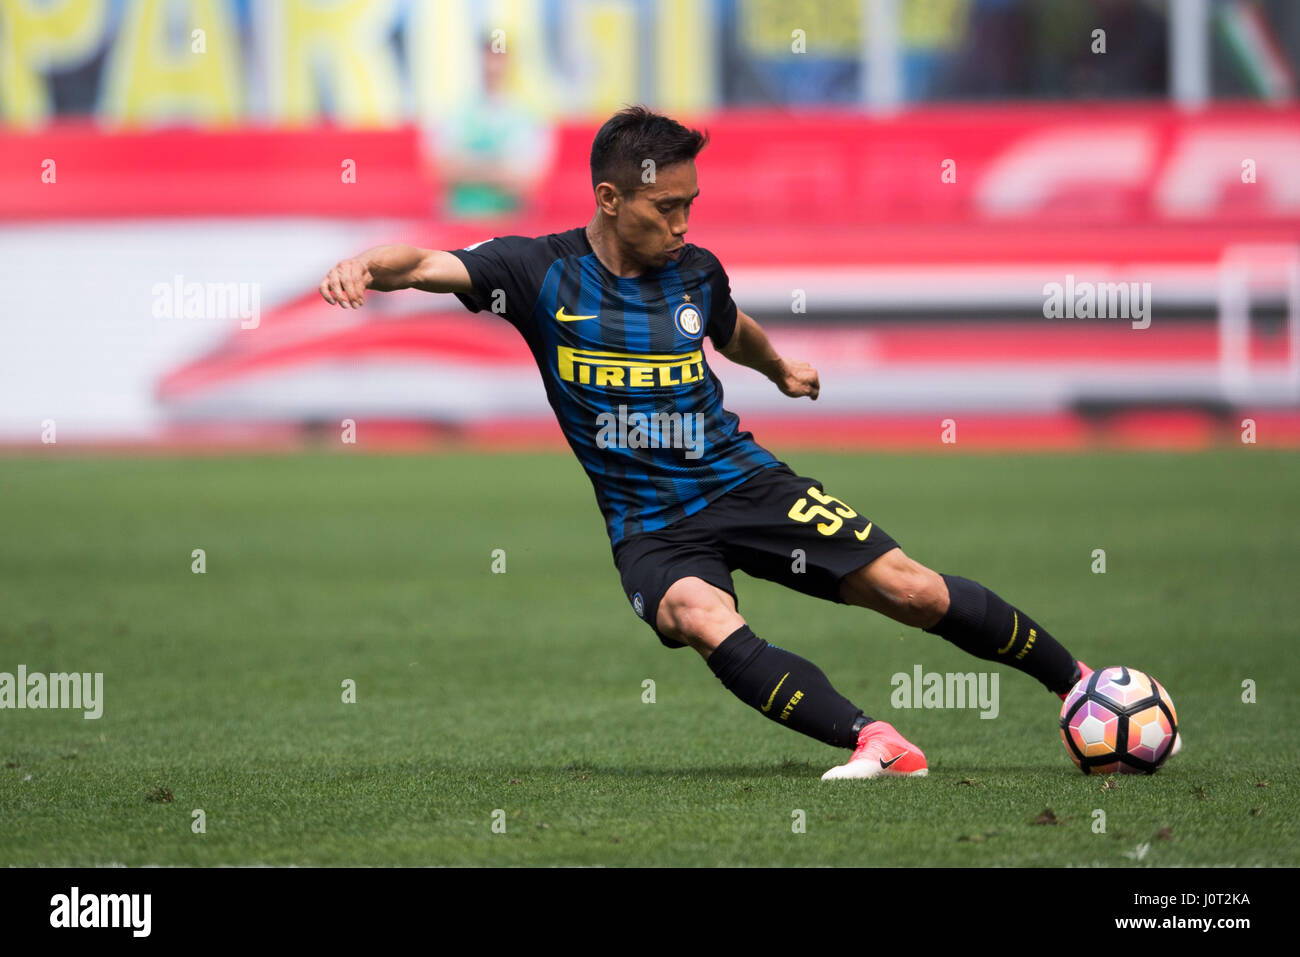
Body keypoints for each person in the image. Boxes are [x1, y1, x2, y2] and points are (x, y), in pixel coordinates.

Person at [320, 106, 1153, 780]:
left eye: (691, 205)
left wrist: (781, 367)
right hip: (651, 526)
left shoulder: (695, 271)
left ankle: (1078, 684)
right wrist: (364, 263)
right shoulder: (537, 272)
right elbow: (426, 262)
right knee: (696, 612)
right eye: (665, 208)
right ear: (611, 200)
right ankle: (876, 742)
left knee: (913, 591)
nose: (682, 224)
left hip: (745, 482)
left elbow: (733, 330)